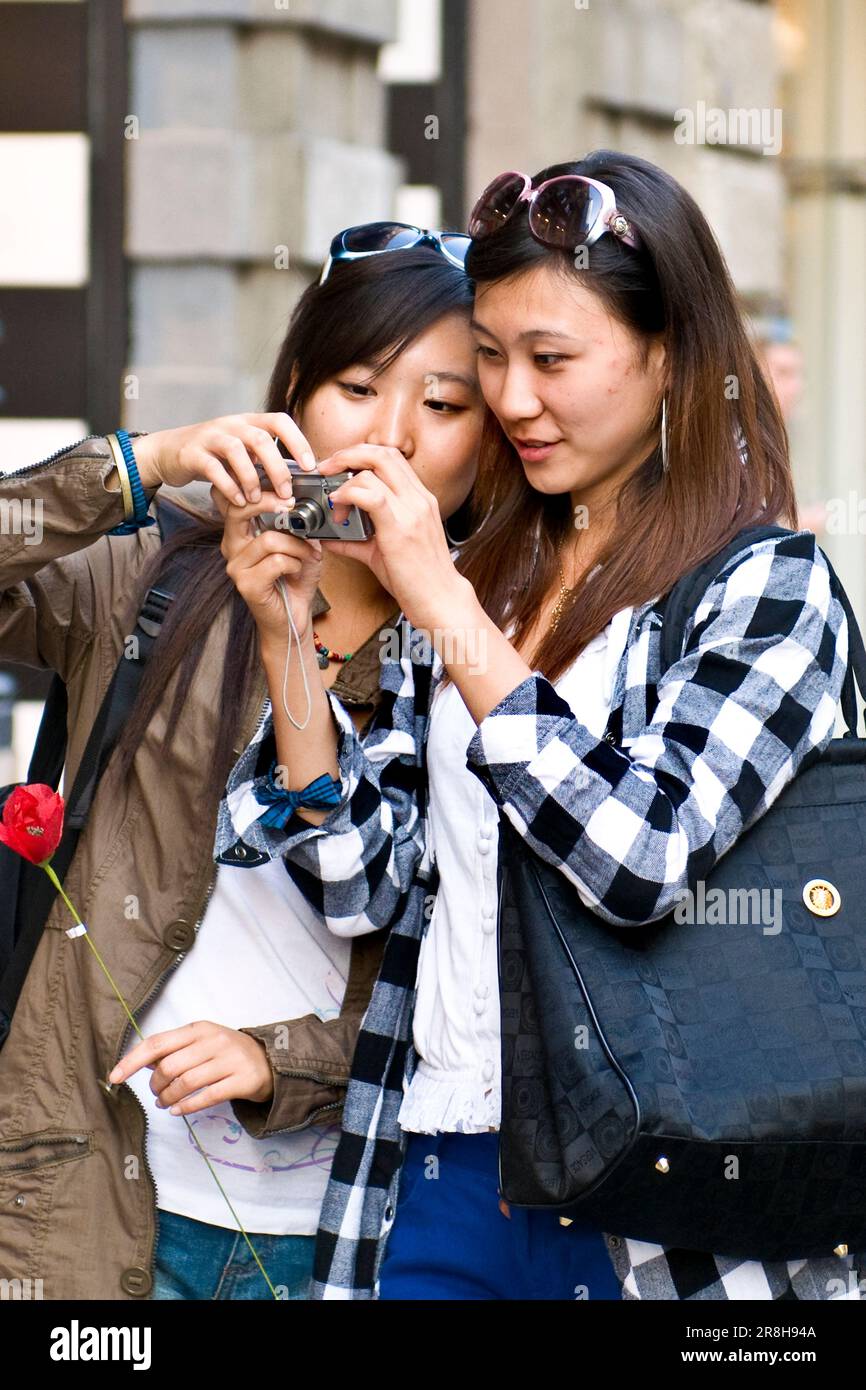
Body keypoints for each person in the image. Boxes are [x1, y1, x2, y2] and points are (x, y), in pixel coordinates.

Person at [213, 151, 860, 1302]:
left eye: (552, 360)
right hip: (440, 1174)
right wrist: (284, 643)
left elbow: (640, 856)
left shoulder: (764, 588)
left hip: (665, 1206)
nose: (513, 400)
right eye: (494, 358)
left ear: (669, 357)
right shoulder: (491, 578)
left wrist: (443, 606)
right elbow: (370, 889)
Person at [0, 231, 485, 1300]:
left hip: (342, 1234)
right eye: (356, 387)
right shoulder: (164, 574)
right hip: (87, 1203)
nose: (391, 437)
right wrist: (142, 463)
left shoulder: (486, 650)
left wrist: (283, 1059)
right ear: (295, 393)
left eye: (443, 406)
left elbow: (468, 968)